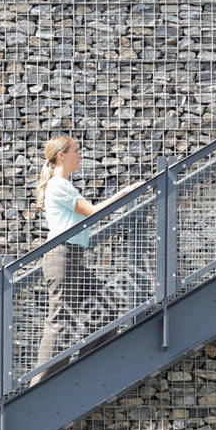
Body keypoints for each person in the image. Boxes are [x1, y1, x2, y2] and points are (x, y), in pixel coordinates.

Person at [31, 136, 141, 386]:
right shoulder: (58, 185)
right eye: (76, 151)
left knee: (108, 304)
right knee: (61, 320)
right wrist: (124, 192)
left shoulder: (64, 185)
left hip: (73, 258)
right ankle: (40, 384)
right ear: (62, 156)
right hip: (62, 256)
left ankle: (86, 364)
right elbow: (92, 212)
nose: (80, 156)